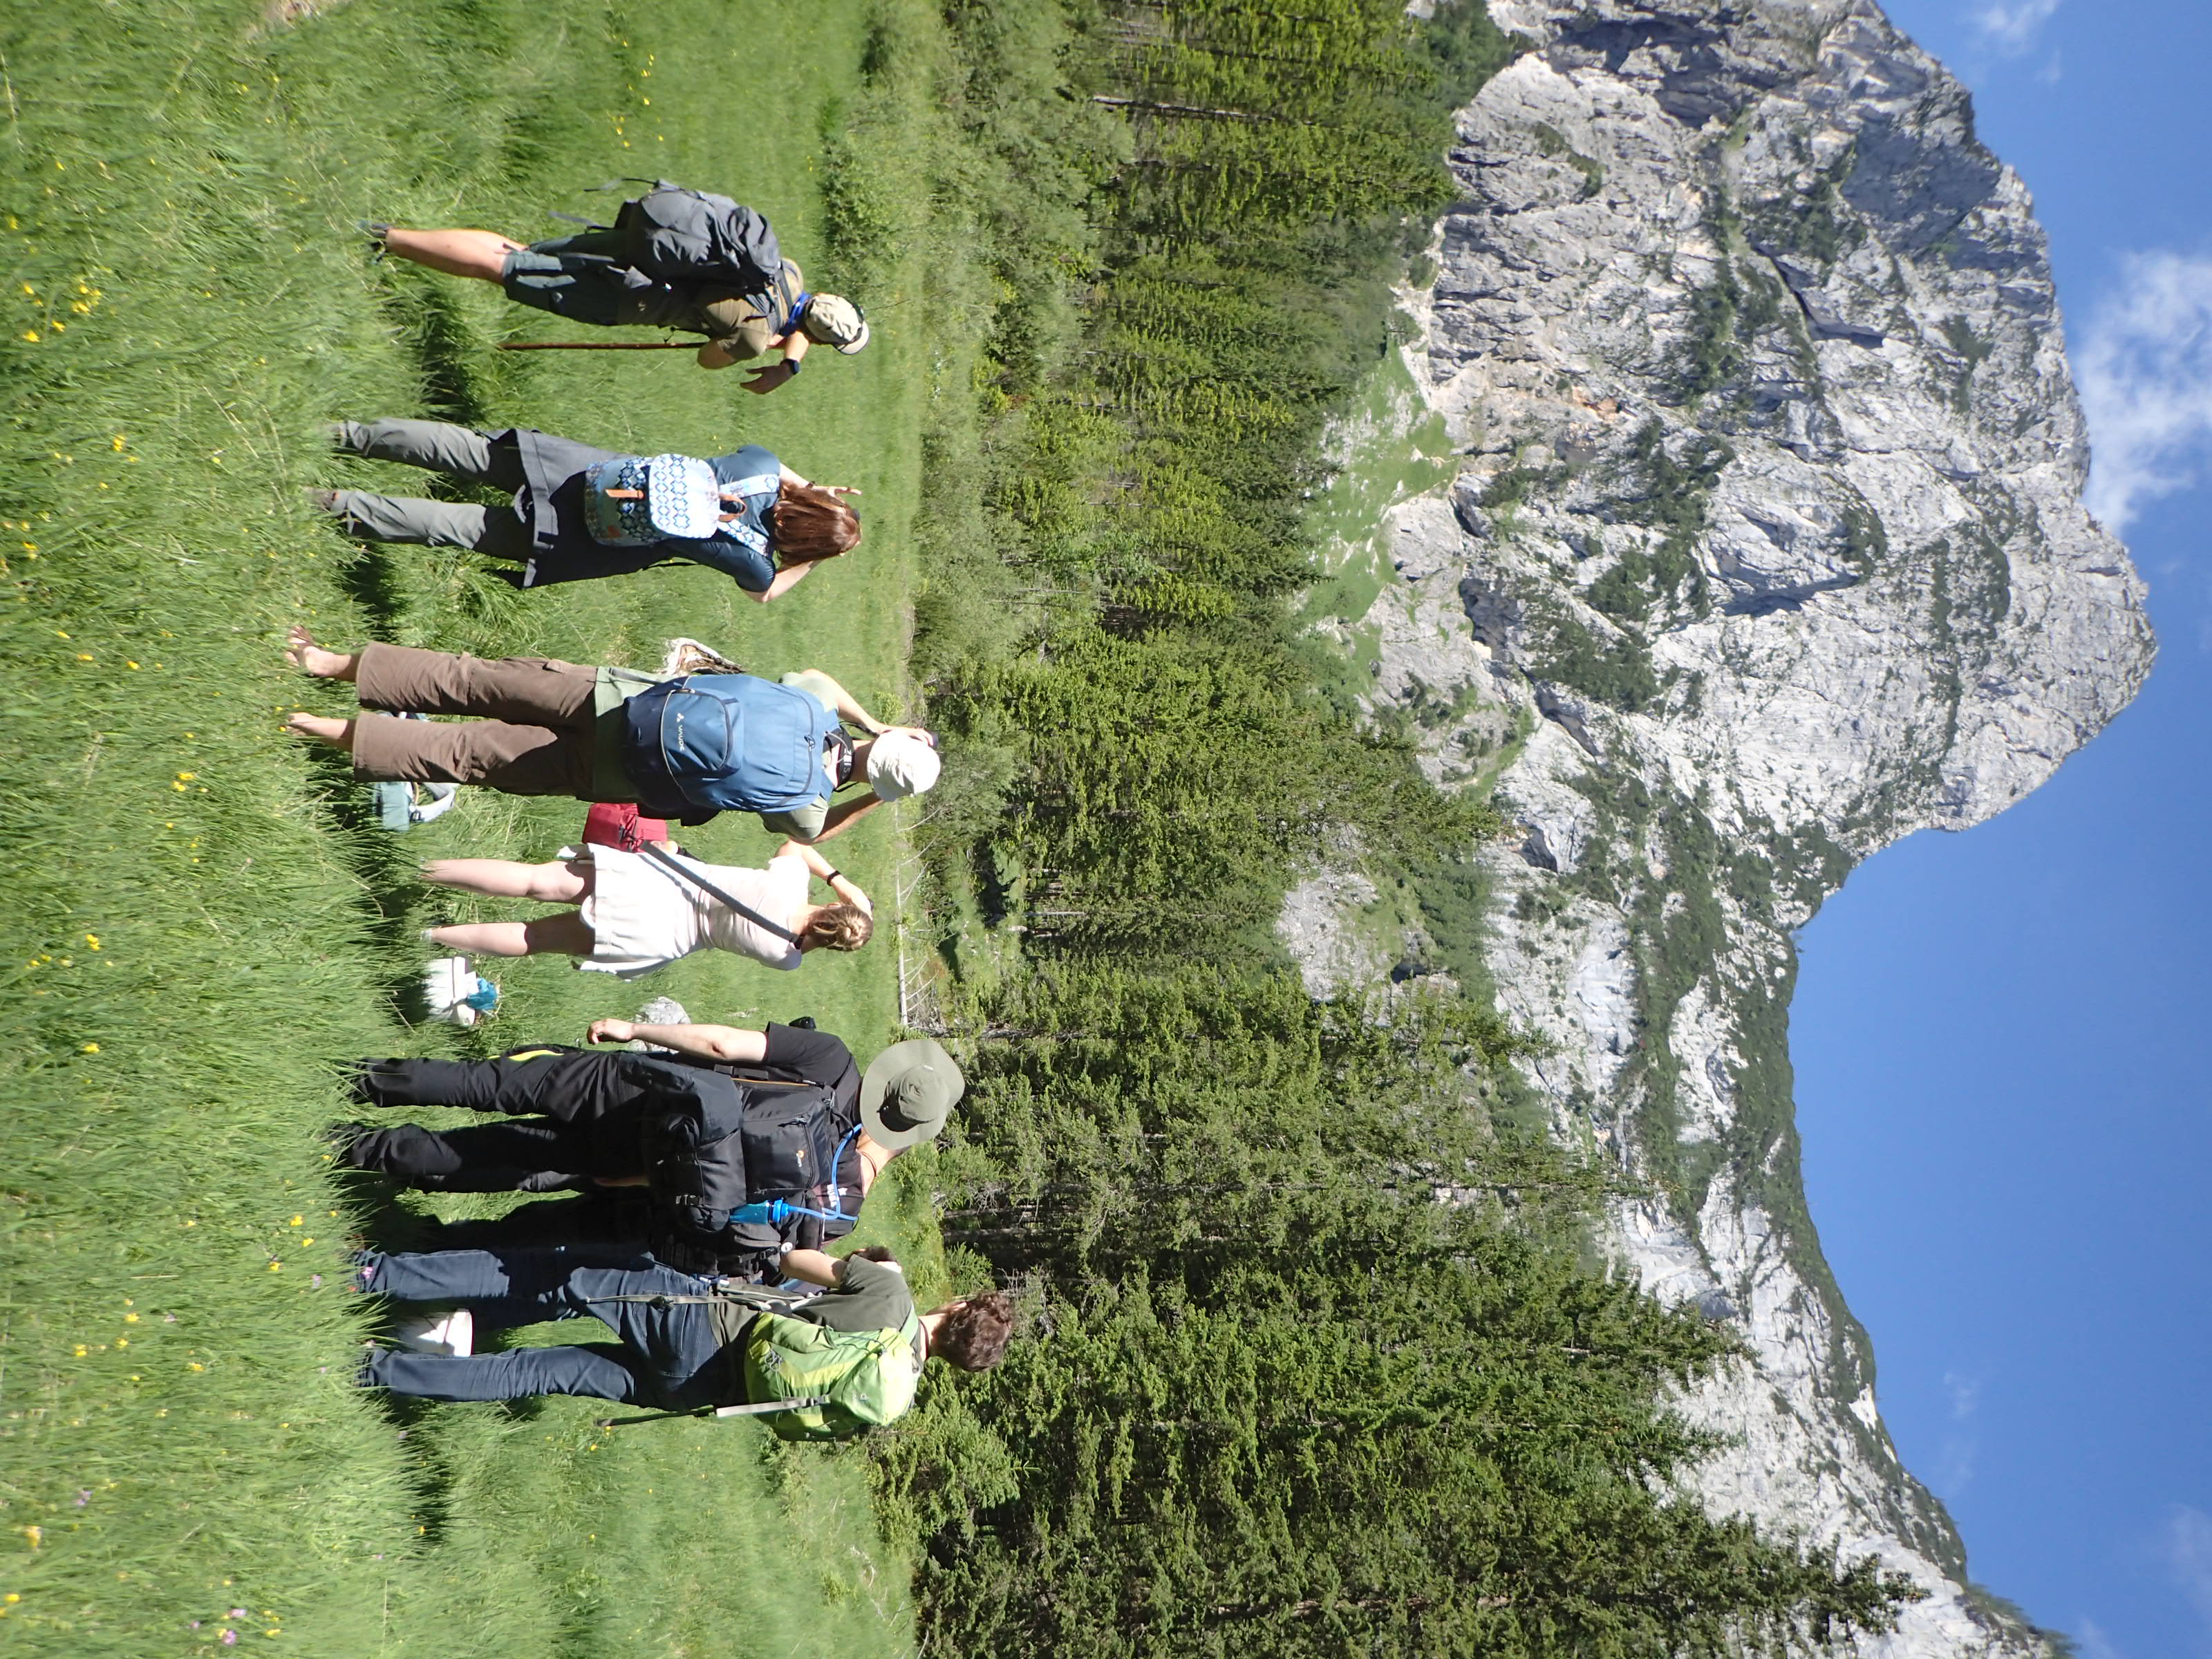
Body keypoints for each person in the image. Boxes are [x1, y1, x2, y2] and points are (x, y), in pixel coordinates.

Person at [339, 1029, 963, 1275]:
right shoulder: (842, 1202)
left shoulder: (832, 1061)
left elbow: (721, 1046)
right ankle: (358, 1153)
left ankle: (359, 1081)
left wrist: (639, 1032)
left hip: (635, 1088)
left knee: (490, 1084)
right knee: (501, 1159)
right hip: (639, 1169)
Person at [280, 629, 939, 839]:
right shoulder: (807, 805)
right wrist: (875, 797)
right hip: (614, 774)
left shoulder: (817, 704)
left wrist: (876, 724)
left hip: (616, 698)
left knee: (473, 680)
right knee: (465, 755)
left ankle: (323, 663)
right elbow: (814, 836)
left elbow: (816, 674)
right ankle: (316, 728)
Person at [358, 1244, 1013, 1412]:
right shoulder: (894, 1396)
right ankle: (379, 1371)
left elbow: (790, 1262)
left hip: (701, 1320)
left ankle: (374, 1275)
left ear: (957, 1308)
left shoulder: (891, 1291)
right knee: (539, 1373)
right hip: (699, 1393)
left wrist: (870, 1268)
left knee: (543, 1276)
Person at [367, 191, 868, 391]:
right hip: (627, 293)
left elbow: (800, 318)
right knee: (506, 269)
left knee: (519, 253)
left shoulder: (788, 271)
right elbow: (709, 359)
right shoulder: (757, 333)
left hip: (640, 245)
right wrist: (769, 351)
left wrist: (791, 363)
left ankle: (392, 239)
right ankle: (384, 237)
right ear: (821, 337)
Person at [315, 419, 859, 597]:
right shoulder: (757, 561)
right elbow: (765, 592)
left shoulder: (760, 465)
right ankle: (334, 506)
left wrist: (814, 489)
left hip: (584, 471)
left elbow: (778, 466)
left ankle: (345, 435)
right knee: (460, 528)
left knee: (472, 452)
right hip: (588, 536)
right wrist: (810, 559)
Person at [413, 836, 870, 976]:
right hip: (659, 935)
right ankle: (432, 936)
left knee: (533, 879)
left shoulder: (788, 883)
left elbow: (796, 846)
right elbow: (800, 945)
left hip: (662, 883)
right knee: (535, 939)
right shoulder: (787, 957)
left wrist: (842, 882)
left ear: (834, 905)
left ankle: (424, 870)